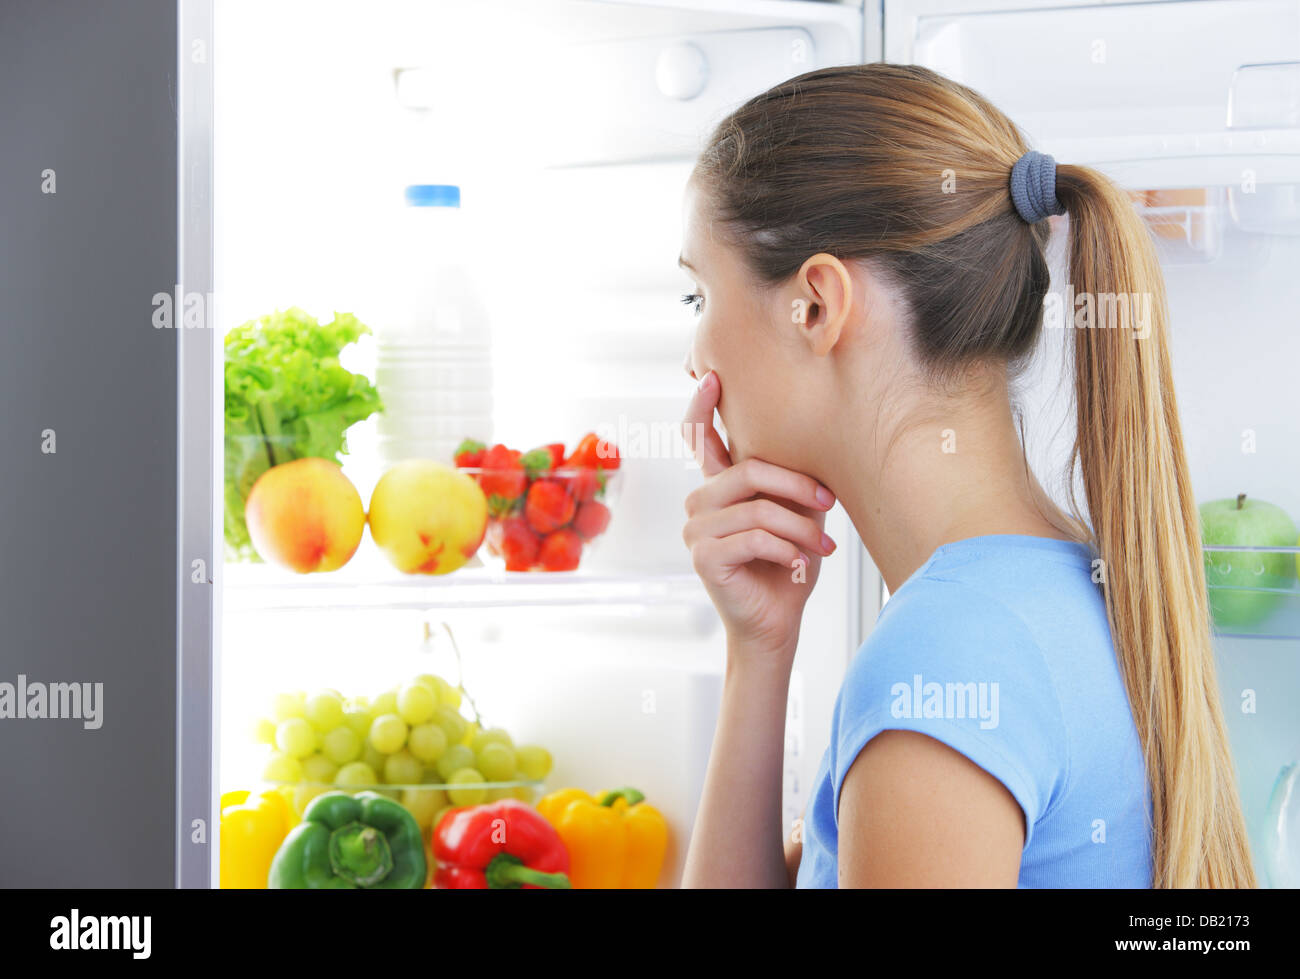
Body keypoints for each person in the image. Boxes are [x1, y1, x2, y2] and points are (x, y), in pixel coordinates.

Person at [677, 63, 1254, 888]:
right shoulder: (1061, 591)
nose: (692, 356)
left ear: (816, 305)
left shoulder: (941, 661)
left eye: (698, 297)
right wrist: (759, 652)